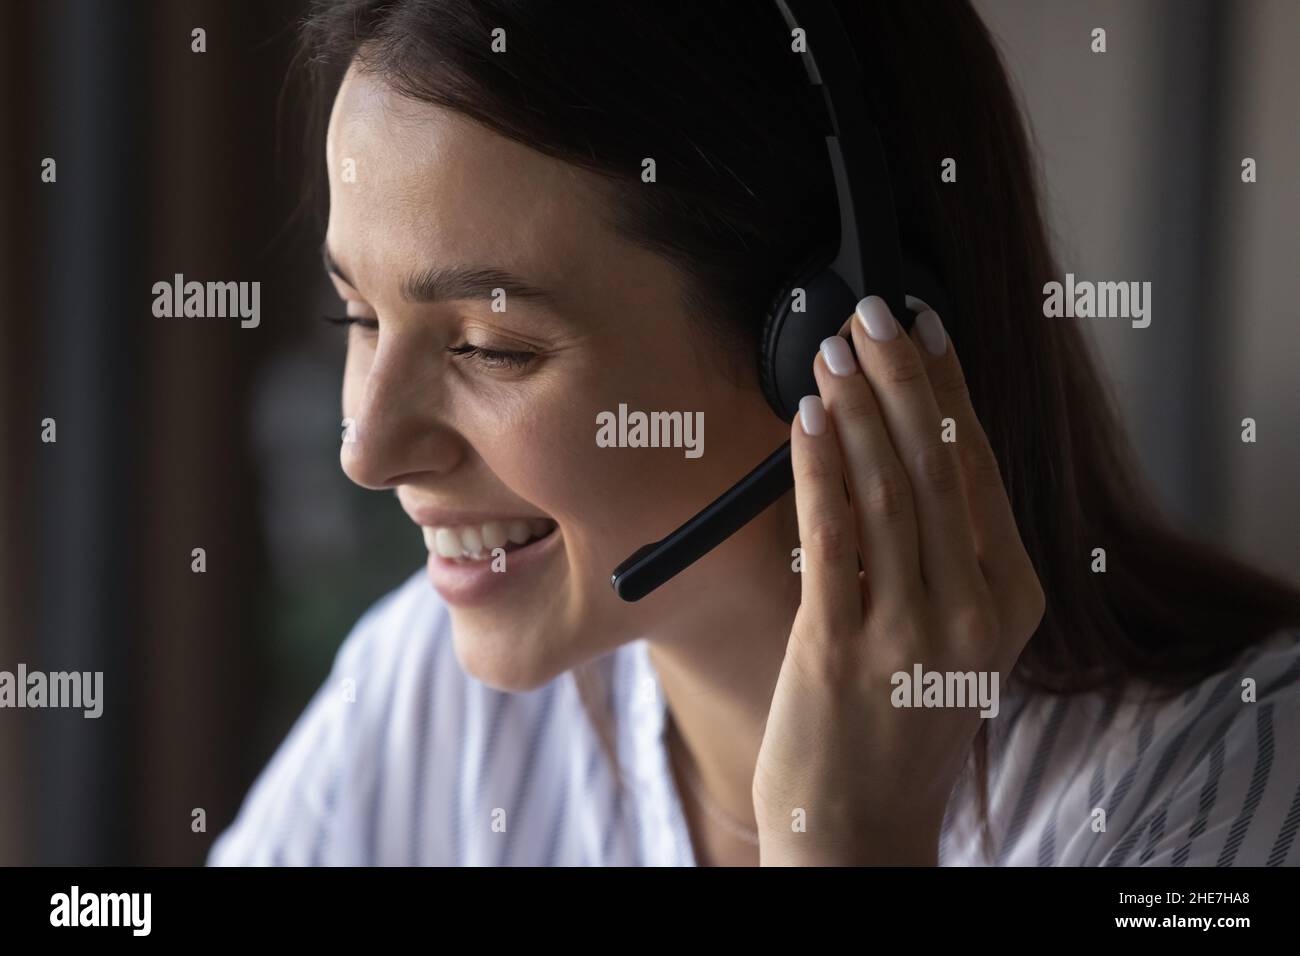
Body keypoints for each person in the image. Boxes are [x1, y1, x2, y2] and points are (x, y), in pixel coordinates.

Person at [208, 0, 1300, 866]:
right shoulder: (427, 700)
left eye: (492, 345)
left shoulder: (1225, 789)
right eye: (356, 315)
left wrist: (844, 842)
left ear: (832, 334)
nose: (368, 446)